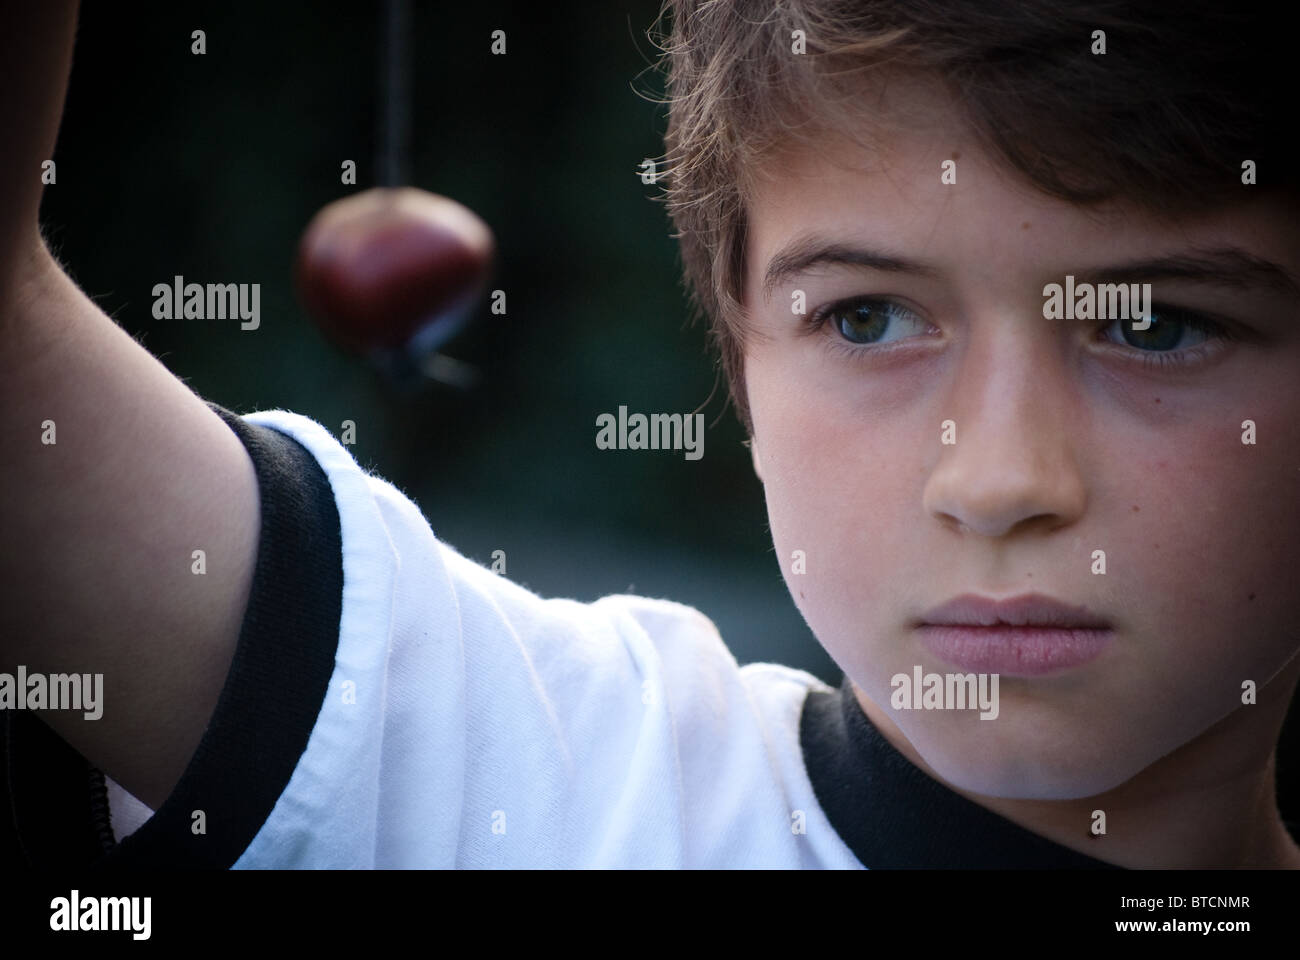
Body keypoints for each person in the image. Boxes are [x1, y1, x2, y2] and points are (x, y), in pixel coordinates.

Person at [3, 0, 1298, 869]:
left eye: (1156, 328)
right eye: (865, 318)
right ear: (737, 358)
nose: (1003, 480)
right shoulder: (536, 782)